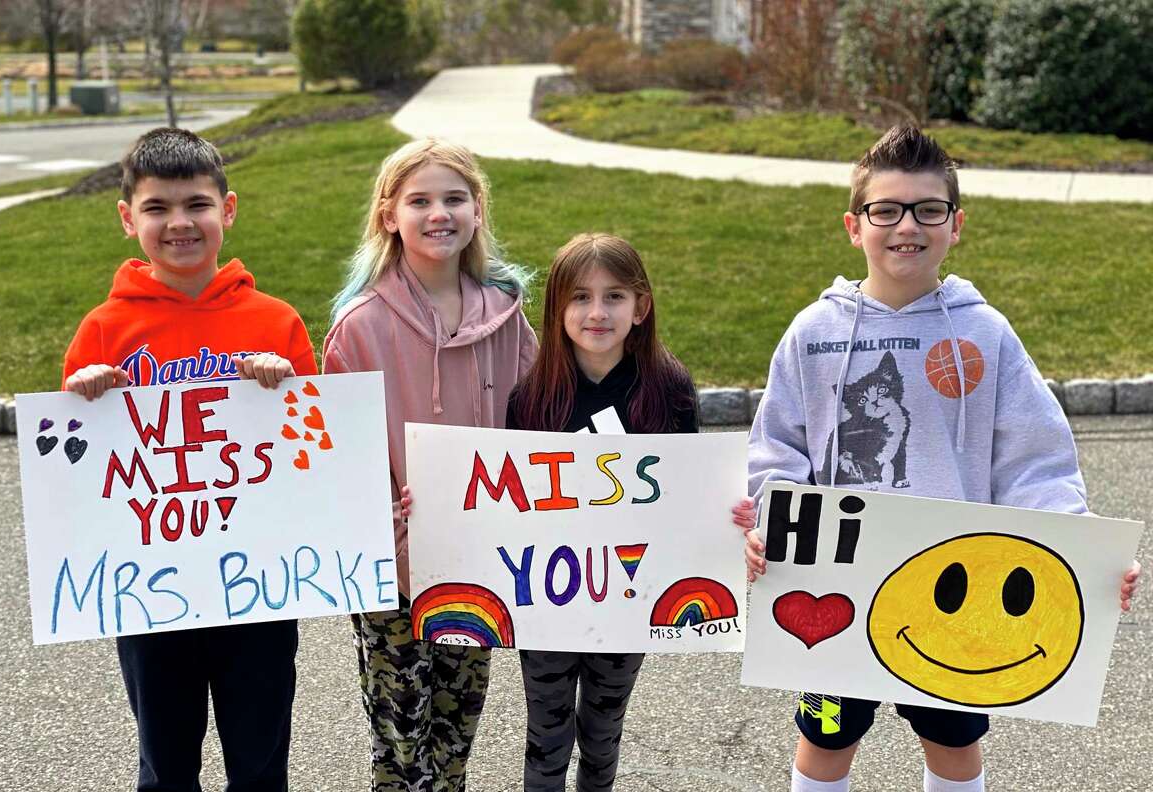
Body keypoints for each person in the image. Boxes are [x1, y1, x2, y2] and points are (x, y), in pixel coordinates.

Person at [739, 125, 1140, 792]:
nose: (907, 226)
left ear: (956, 225)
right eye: (886, 210)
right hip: (835, 587)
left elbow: (1032, 458)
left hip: (955, 585)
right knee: (825, 743)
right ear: (854, 226)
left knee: (953, 747)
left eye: (928, 210)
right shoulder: (814, 333)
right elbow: (777, 447)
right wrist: (770, 523)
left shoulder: (984, 332)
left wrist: (1081, 546)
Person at [63, 127, 317, 791]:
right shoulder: (103, 329)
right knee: (166, 763)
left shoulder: (277, 323)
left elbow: (314, 452)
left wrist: (287, 388)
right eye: (157, 208)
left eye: (197, 204)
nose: (179, 223)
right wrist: (82, 395)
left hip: (257, 590)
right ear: (128, 219)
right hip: (149, 592)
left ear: (227, 210)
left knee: (260, 762)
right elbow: (78, 468)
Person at [323, 138, 537, 791]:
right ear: (389, 215)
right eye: (419, 201)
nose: (438, 213)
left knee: (457, 724)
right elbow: (338, 454)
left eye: (454, 198)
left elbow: (537, 425)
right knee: (401, 733)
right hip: (391, 569)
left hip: (477, 562)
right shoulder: (358, 327)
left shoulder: (507, 318)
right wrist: (384, 521)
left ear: (478, 210)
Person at [506, 232, 698, 791]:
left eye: (614, 296)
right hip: (547, 598)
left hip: (628, 596)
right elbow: (505, 501)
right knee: (546, 732)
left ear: (641, 307)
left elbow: (691, 491)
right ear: (556, 309)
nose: (597, 312)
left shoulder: (669, 389)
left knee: (603, 731)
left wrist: (724, 516)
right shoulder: (532, 397)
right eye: (580, 297)